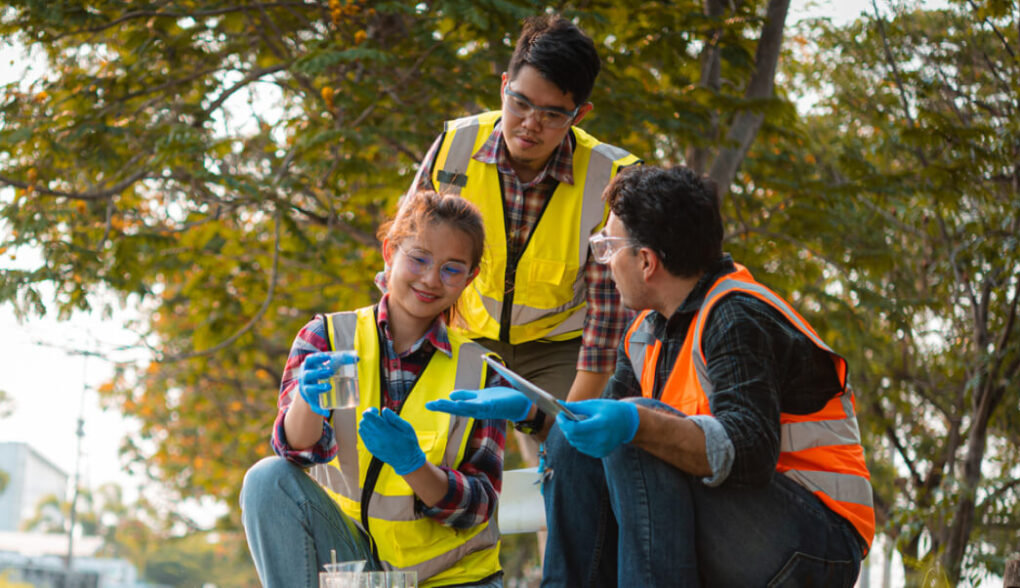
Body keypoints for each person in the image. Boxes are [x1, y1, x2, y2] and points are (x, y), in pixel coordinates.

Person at [429, 166, 875, 586]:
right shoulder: (644, 334)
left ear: (646, 262)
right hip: (741, 528)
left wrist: (636, 424)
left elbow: (750, 452)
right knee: (580, 435)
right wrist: (535, 413)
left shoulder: (736, 315)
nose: (604, 263)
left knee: (634, 423)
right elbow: (592, 441)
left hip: (813, 541)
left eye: (608, 248)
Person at [240, 191, 508, 588]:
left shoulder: (482, 373)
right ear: (389, 251)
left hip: (452, 579)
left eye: (452, 269)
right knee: (267, 478)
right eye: (419, 259)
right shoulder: (328, 338)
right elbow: (295, 453)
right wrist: (307, 404)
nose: (431, 279)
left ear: (468, 278)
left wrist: (413, 464)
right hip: (355, 574)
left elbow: (477, 508)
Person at [408, 14, 641, 466]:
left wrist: (569, 432)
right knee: (431, 450)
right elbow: (408, 259)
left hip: (562, 350)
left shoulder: (610, 178)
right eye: (520, 103)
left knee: (578, 459)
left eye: (553, 114)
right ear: (503, 86)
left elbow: (608, 323)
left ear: (580, 114)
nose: (530, 124)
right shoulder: (453, 147)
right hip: (467, 341)